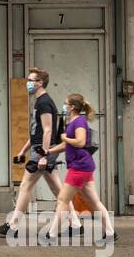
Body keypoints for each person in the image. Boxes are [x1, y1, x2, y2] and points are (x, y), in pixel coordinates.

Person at [0, 68, 80, 236]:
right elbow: (36, 131)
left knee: (25, 186)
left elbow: (47, 131)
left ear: (40, 83)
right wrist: (23, 150)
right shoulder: (39, 102)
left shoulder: (44, 102)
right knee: (57, 189)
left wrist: (44, 155)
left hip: (42, 150)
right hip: (39, 148)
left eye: (31, 80)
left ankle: (13, 225)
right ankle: (75, 223)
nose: (28, 83)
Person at [43, 93, 116, 242]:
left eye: (66, 103)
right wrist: (48, 151)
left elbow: (80, 142)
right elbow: (66, 145)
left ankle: (51, 235)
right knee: (94, 202)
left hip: (79, 167)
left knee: (62, 200)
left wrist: (65, 137)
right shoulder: (71, 122)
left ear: (72, 107)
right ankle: (110, 234)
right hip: (83, 166)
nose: (63, 106)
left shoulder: (80, 122)